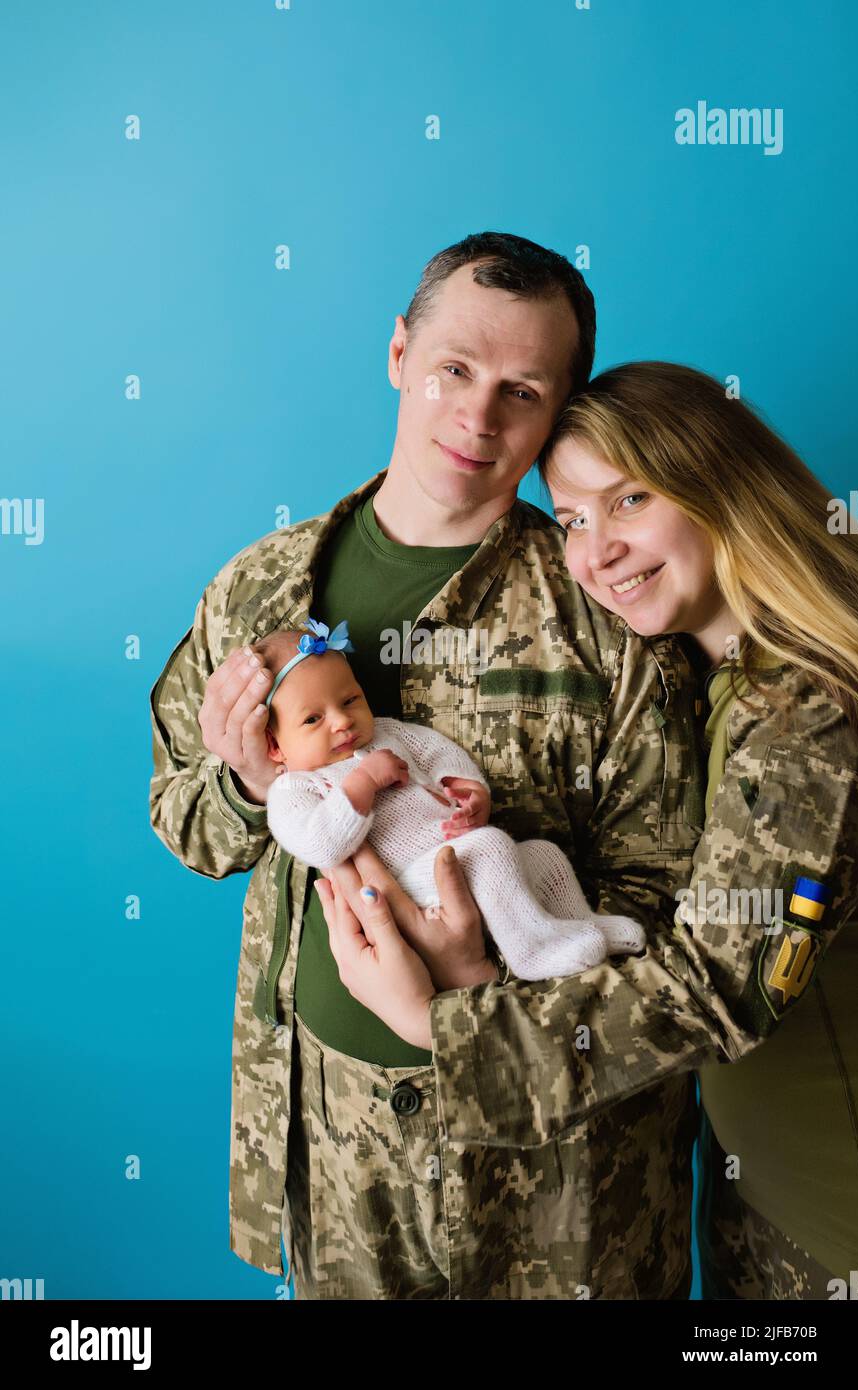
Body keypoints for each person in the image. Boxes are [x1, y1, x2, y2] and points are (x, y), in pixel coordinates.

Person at [149, 232, 704, 1299]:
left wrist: (481, 976)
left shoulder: (610, 608)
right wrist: (243, 786)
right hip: (337, 1154)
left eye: (523, 390)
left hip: (554, 1181)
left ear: (558, 418)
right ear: (400, 352)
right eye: (455, 368)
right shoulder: (263, 589)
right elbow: (183, 817)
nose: (479, 415)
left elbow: (674, 914)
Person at [321, 360, 858, 1300]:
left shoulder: (804, 713)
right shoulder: (704, 678)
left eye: (630, 500)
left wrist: (441, 1023)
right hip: (753, 1191)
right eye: (571, 518)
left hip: (836, 1221)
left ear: (722, 484)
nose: (593, 552)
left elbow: (715, 990)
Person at [257, 619, 645, 980]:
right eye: (312, 720)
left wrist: (466, 786)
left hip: (457, 849)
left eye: (350, 700)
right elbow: (320, 844)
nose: (341, 722)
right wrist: (364, 782)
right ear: (275, 746)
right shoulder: (295, 789)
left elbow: (437, 752)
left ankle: (578, 923)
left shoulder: (388, 733)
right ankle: (530, 950)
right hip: (408, 881)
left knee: (543, 854)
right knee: (490, 846)